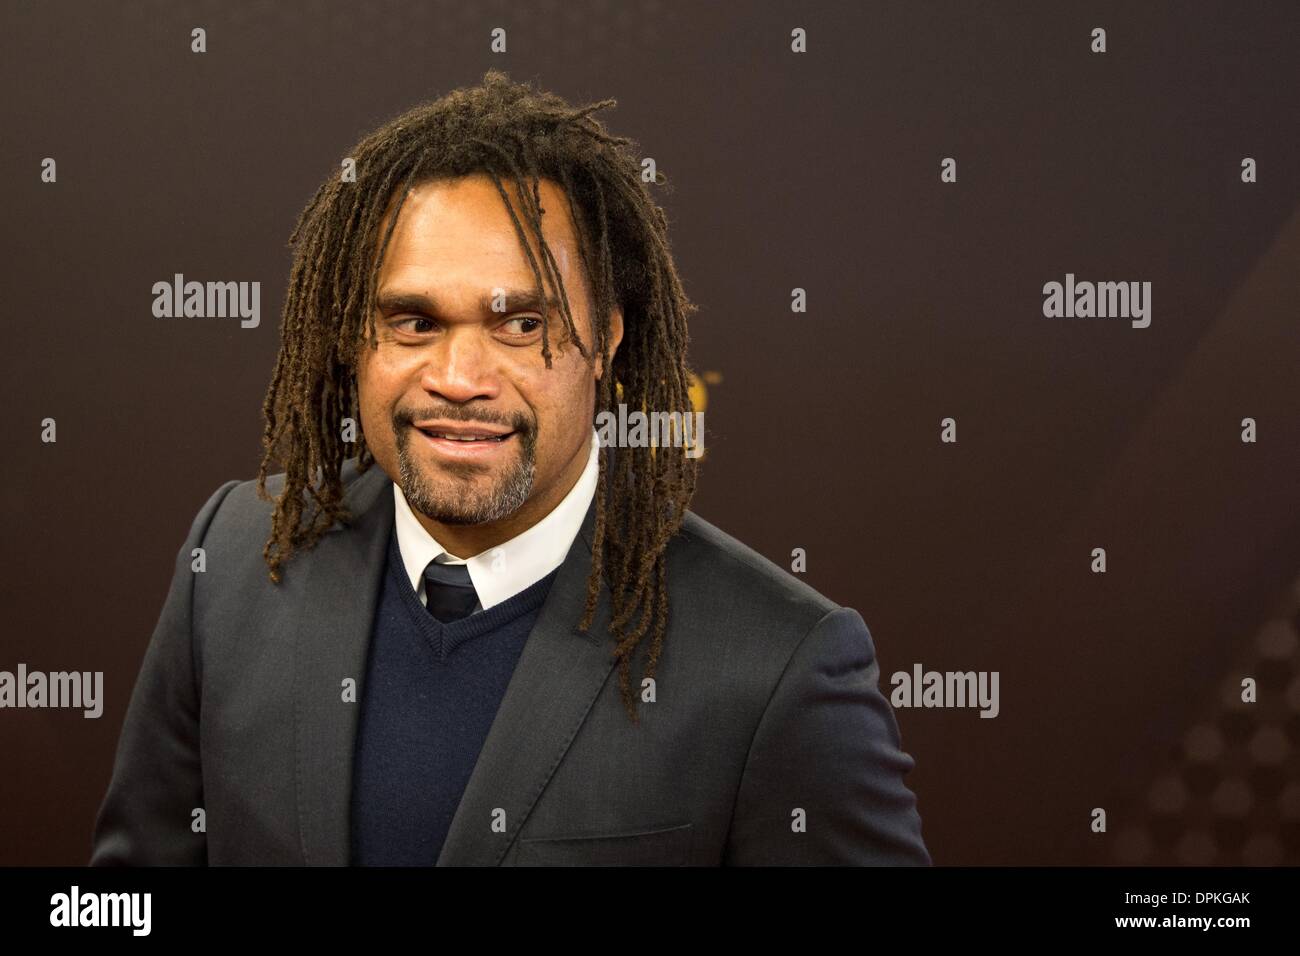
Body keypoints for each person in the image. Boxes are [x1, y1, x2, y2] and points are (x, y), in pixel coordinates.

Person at [90, 71, 930, 866]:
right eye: (414, 322)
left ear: (606, 336)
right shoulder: (233, 560)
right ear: (354, 335)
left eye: (521, 325)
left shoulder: (776, 666)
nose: (460, 379)